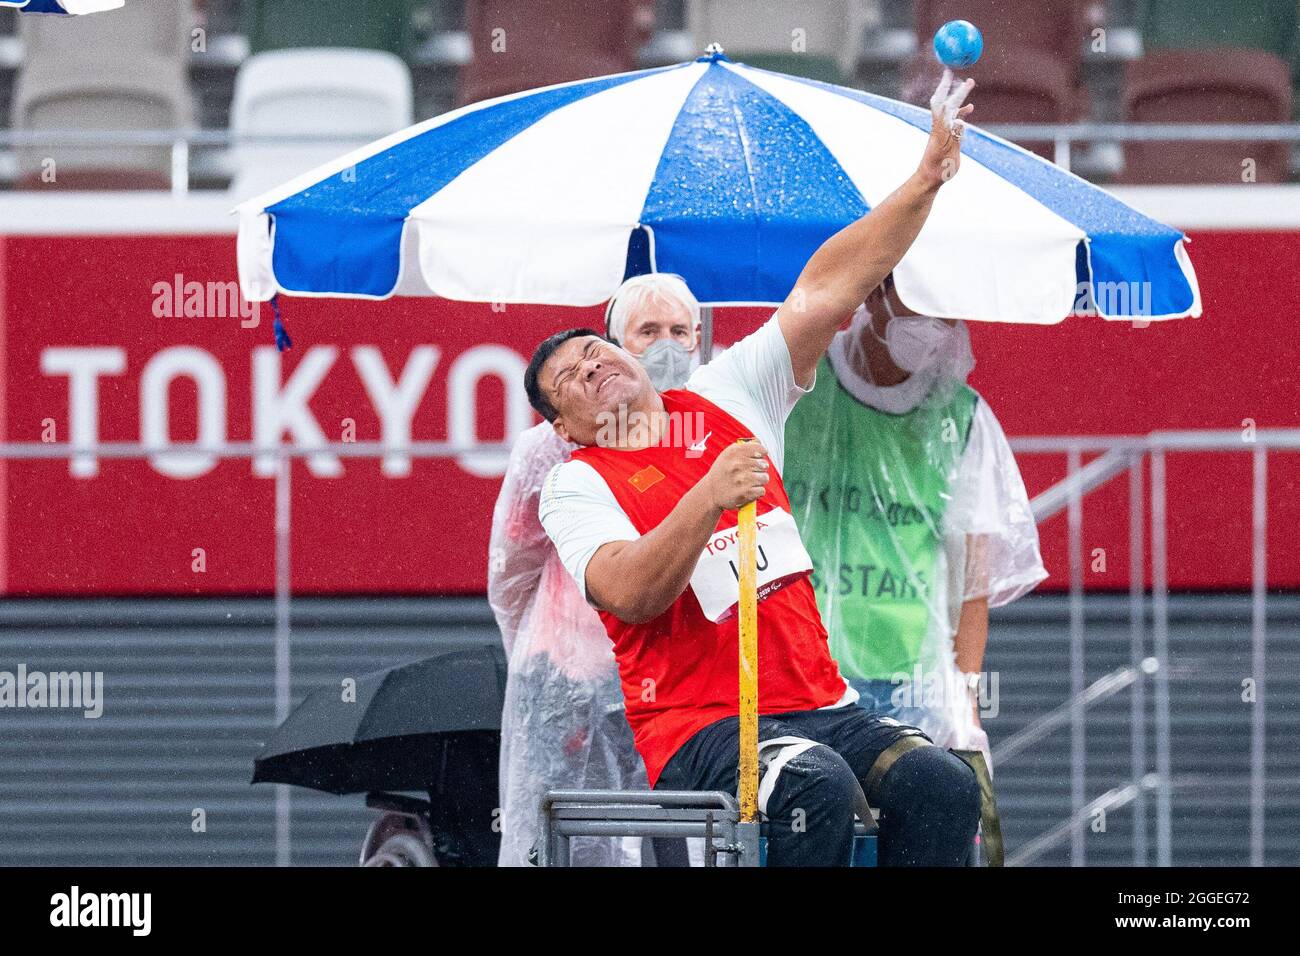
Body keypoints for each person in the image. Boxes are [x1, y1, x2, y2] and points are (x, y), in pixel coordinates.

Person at [529, 72, 983, 866]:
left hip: (820, 702)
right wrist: (707, 495)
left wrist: (926, 182)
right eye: (571, 377)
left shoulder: (730, 392)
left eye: (596, 353)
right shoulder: (577, 484)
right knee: (818, 785)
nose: (592, 367)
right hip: (701, 725)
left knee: (943, 784)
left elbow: (828, 287)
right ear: (565, 426)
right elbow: (632, 593)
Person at [784, 279, 1047, 767]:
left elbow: (973, 583)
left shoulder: (959, 417)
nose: (933, 321)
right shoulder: (795, 385)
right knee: (804, 834)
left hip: (907, 684)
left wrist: (963, 701)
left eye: (946, 307)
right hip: (794, 674)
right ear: (874, 290)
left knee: (901, 838)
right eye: (920, 298)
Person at [489, 273, 703, 867]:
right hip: (572, 676)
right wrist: (545, 666)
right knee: (566, 841)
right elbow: (511, 577)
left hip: (674, 682)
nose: (665, 345)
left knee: (671, 841)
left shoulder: (700, 431)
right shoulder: (546, 453)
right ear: (618, 340)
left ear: (699, 339)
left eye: (678, 331)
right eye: (648, 331)